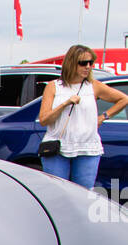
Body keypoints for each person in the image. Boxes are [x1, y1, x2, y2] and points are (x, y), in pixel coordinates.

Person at [37, 45, 128, 188]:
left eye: (91, 63)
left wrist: (103, 117)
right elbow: (44, 120)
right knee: (57, 193)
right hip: (58, 147)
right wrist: (65, 104)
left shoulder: (93, 86)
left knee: (83, 194)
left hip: (87, 147)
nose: (88, 66)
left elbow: (124, 99)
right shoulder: (54, 87)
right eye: (83, 63)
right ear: (71, 63)